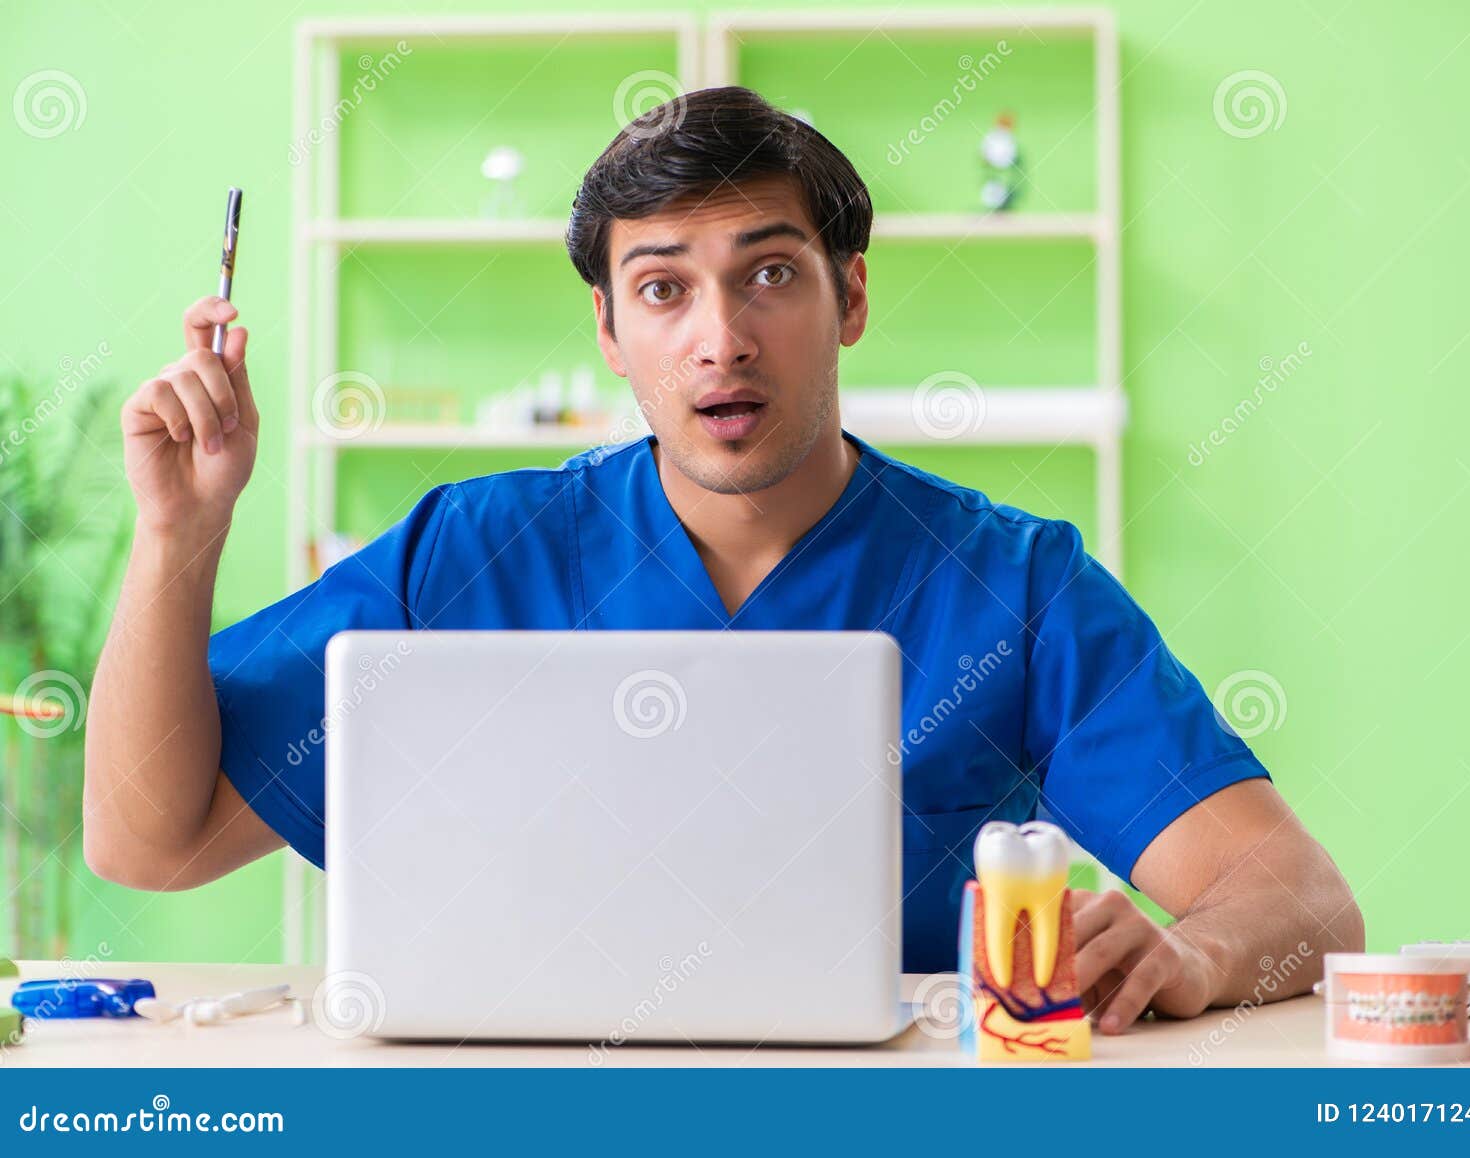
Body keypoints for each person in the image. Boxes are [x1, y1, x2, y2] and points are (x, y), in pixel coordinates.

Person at [85, 86, 1361, 1033]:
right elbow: (151, 841)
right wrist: (180, 533)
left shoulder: (1011, 585)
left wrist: (1190, 960)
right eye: (662, 290)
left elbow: (1297, 898)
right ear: (606, 327)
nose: (719, 340)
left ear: (847, 298)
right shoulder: (469, 556)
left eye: (767, 275)